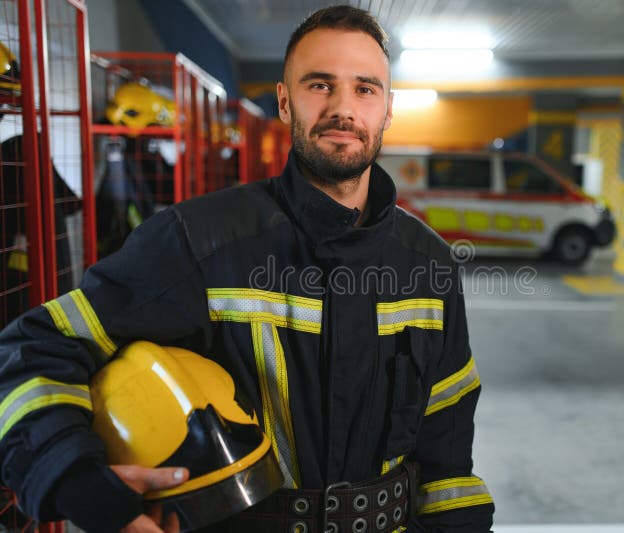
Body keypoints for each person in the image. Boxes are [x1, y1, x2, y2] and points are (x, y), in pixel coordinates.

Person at [0, 5, 494, 532]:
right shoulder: (201, 241)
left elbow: (448, 456)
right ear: (284, 101)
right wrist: (82, 486)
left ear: (388, 110)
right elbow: (33, 350)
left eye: (365, 89)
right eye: (320, 85)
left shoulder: (429, 265)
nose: (343, 108)